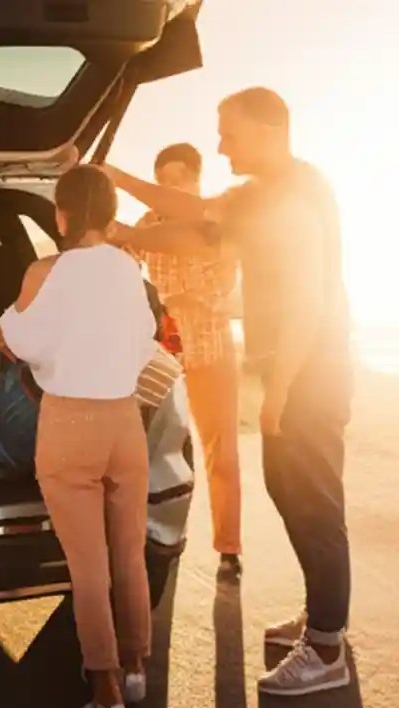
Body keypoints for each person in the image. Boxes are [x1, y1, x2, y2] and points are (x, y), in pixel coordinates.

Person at [102, 86, 355, 697]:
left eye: (230, 133)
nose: (220, 144)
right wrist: (115, 192)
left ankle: (325, 647)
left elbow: (307, 301)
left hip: (309, 372)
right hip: (292, 370)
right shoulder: (257, 196)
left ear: (268, 130)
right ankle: (324, 617)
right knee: (291, 492)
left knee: (313, 503)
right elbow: (189, 224)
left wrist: (281, 391)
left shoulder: (293, 199)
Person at [0, 165, 158, 708]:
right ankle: (136, 669)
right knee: (130, 551)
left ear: (61, 215)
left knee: (89, 568)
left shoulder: (46, 271)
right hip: (124, 420)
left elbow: (19, 340)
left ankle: (105, 691)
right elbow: (144, 342)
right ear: (109, 215)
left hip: (70, 426)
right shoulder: (129, 268)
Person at [134, 142, 243, 578]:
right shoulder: (147, 223)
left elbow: (224, 287)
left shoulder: (217, 223)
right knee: (152, 453)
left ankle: (229, 549)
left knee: (223, 455)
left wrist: (180, 298)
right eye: (163, 181)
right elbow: (122, 255)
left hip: (212, 352)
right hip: (162, 360)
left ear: (197, 178)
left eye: (178, 179)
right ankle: (153, 537)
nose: (170, 188)